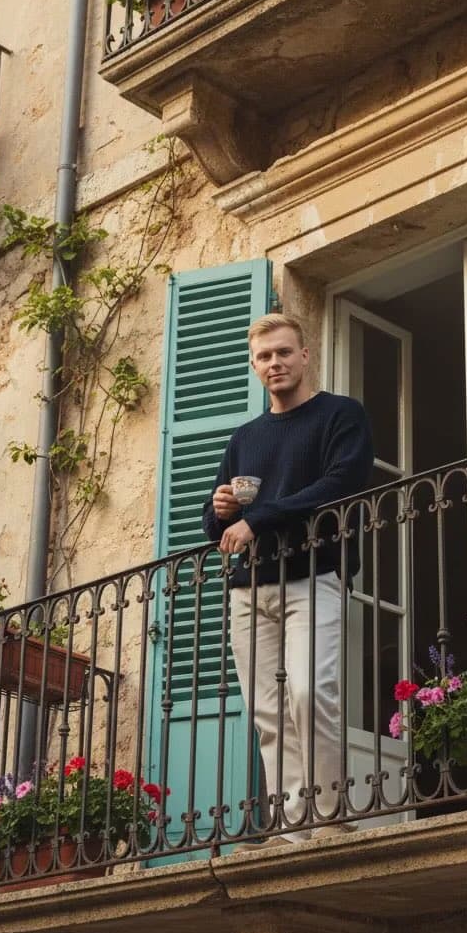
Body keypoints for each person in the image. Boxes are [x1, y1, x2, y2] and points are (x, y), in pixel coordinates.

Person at [202, 315, 373, 844]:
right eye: (263, 357)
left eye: (282, 353)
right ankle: (292, 826)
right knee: (267, 711)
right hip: (248, 589)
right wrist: (222, 506)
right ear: (255, 367)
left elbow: (341, 480)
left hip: (314, 573)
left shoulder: (339, 415)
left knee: (309, 691)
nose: (273, 364)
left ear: (304, 355)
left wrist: (260, 517)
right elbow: (216, 526)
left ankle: (328, 817)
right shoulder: (245, 437)